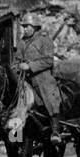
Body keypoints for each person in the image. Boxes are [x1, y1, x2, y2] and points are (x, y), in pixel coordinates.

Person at [15, 14, 61, 142]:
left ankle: (55, 131)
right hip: (24, 78)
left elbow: (48, 60)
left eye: (27, 26)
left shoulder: (44, 40)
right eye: (23, 27)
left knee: (49, 97)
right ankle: (15, 136)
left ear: (35, 27)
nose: (24, 29)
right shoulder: (21, 42)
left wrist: (29, 66)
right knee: (14, 101)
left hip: (43, 77)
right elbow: (17, 60)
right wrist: (18, 66)